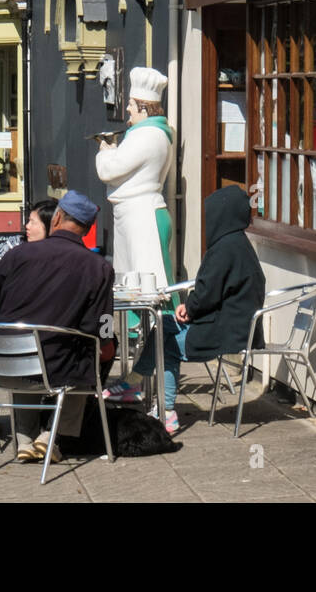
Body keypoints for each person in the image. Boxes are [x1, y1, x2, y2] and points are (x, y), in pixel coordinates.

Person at [0, 190, 114, 463]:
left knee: (28, 344)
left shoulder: (18, 254)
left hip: (2, 362)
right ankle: (51, 436)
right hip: (56, 366)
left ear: (57, 217)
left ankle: (25, 439)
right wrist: (106, 345)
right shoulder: (98, 267)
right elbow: (101, 326)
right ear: (87, 228)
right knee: (91, 353)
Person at [109, 186, 265, 434]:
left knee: (166, 343)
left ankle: (166, 412)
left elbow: (207, 292)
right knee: (165, 325)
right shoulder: (238, 244)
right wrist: (189, 309)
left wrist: (190, 308)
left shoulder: (225, 249)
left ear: (221, 215)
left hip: (225, 332)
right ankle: (135, 383)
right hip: (232, 325)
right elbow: (212, 291)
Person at [95, 68, 174, 309]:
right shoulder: (149, 134)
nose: (127, 109)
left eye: (131, 104)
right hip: (136, 214)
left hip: (142, 217)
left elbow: (109, 170)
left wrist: (105, 152)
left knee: (148, 286)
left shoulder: (147, 136)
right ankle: (144, 335)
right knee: (134, 284)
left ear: (143, 107)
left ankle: (157, 336)